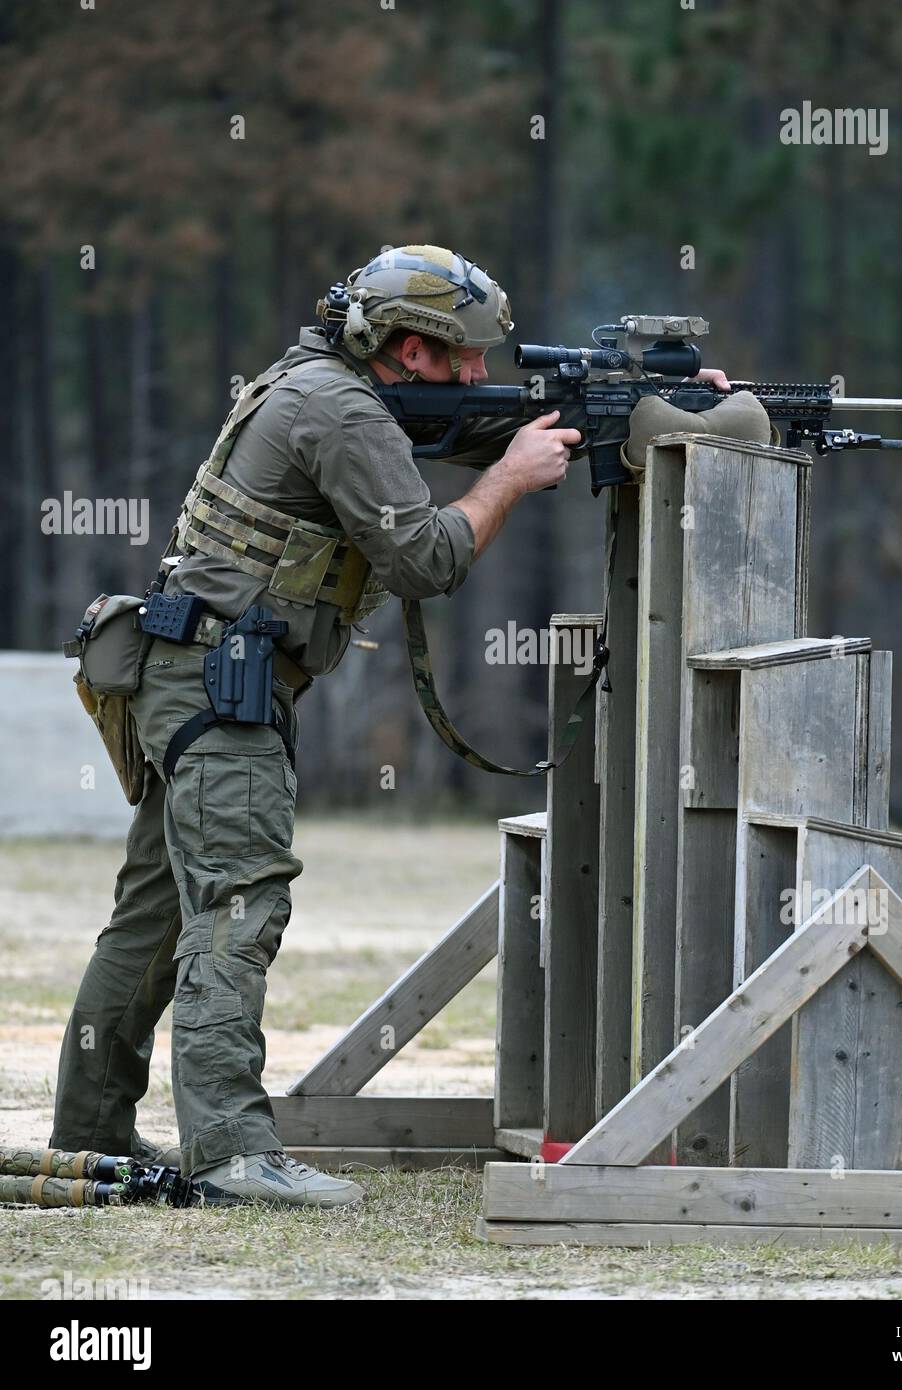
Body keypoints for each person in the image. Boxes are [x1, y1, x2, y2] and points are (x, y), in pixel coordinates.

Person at [50, 245, 770, 1207]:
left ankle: (90, 1133)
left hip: (193, 672)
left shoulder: (330, 387)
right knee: (239, 901)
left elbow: (479, 425)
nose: (478, 373)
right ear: (404, 346)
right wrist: (511, 478)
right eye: (463, 356)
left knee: (155, 914)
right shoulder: (340, 410)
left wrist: (656, 400)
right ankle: (227, 1149)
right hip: (218, 687)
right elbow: (426, 556)